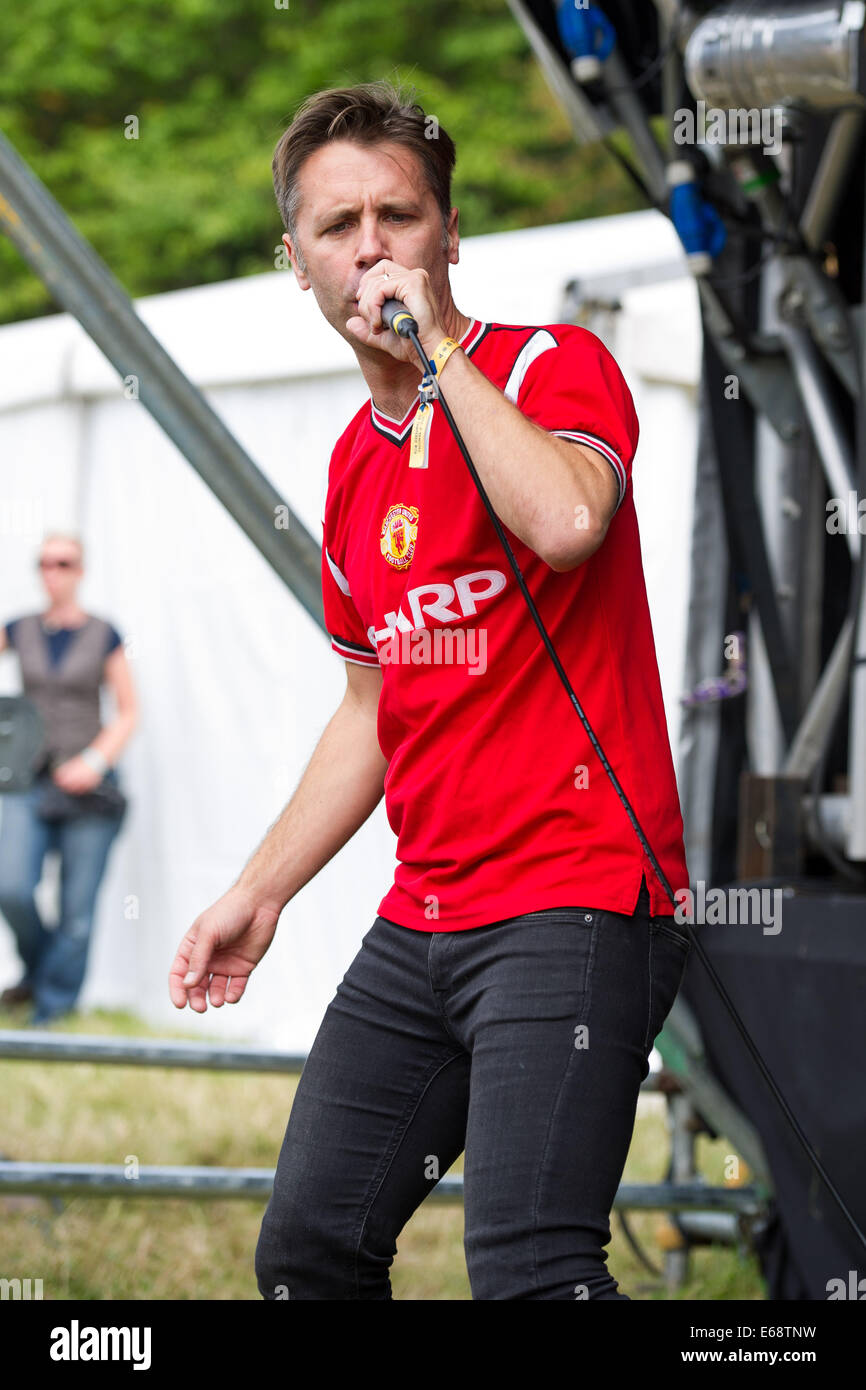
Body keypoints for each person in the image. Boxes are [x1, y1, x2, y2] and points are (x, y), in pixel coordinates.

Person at [168, 81, 692, 1300]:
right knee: (309, 1249)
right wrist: (260, 891)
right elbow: (370, 710)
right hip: (426, 916)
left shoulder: (550, 364)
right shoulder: (351, 469)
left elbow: (566, 521)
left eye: (397, 216)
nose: (371, 248)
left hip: (575, 897)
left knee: (529, 1268)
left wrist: (438, 351)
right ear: (293, 260)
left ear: (447, 233)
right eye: (337, 227)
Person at [0, 532, 137, 1025]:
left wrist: (94, 762)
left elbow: (127, 711)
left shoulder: (104, 634)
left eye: (63, 563)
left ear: (80, 570)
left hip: (88, 785)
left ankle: (52, 1013)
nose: (52, 572)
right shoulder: (18, 628)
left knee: (77, 909)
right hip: (27, 779)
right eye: (44, 563)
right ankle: (39, 973)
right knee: (11, 886)